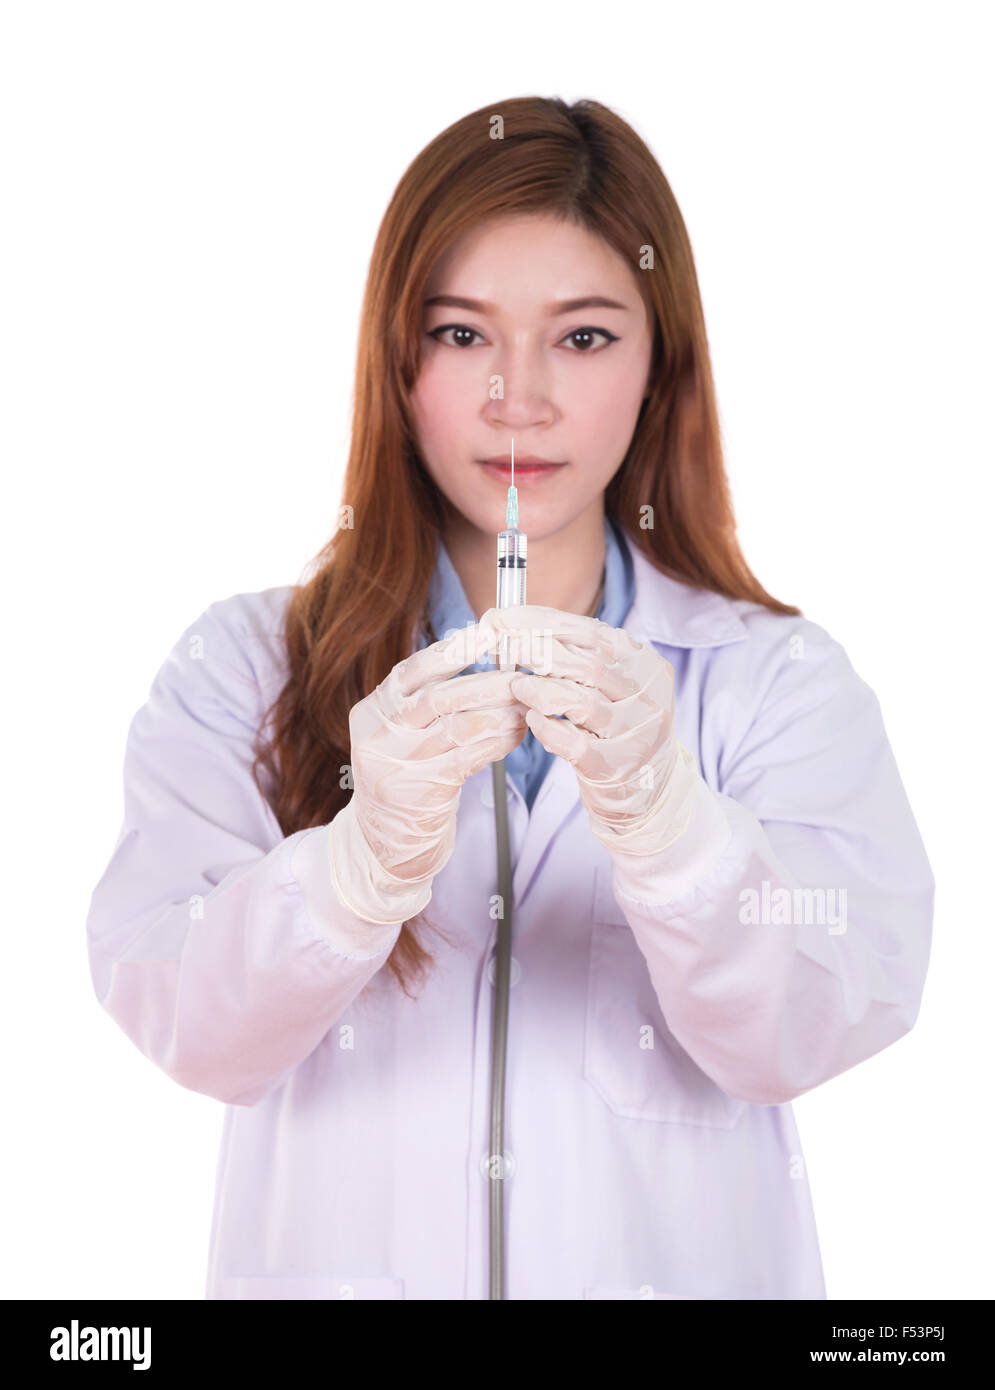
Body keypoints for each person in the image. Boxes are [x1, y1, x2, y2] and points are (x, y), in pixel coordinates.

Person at [86, 96, 934, 1301]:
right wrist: (351, 870)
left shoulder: (775, 683)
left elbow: (828, 1016)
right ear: (397, 361)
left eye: (582, 337)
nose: (516, 398)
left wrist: (678, 838)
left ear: (659, 366)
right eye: (460, 334)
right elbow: (179, 1012)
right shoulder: (245, 666)